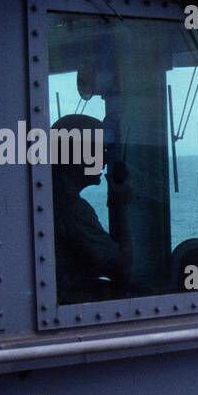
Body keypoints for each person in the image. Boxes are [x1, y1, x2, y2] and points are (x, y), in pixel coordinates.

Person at [51, 113, 133, 303]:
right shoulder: (72, 210)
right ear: (80, 155)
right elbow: (122, 270)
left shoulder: (55, 200)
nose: (105, 159)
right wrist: (119, 205)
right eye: (100, 150)